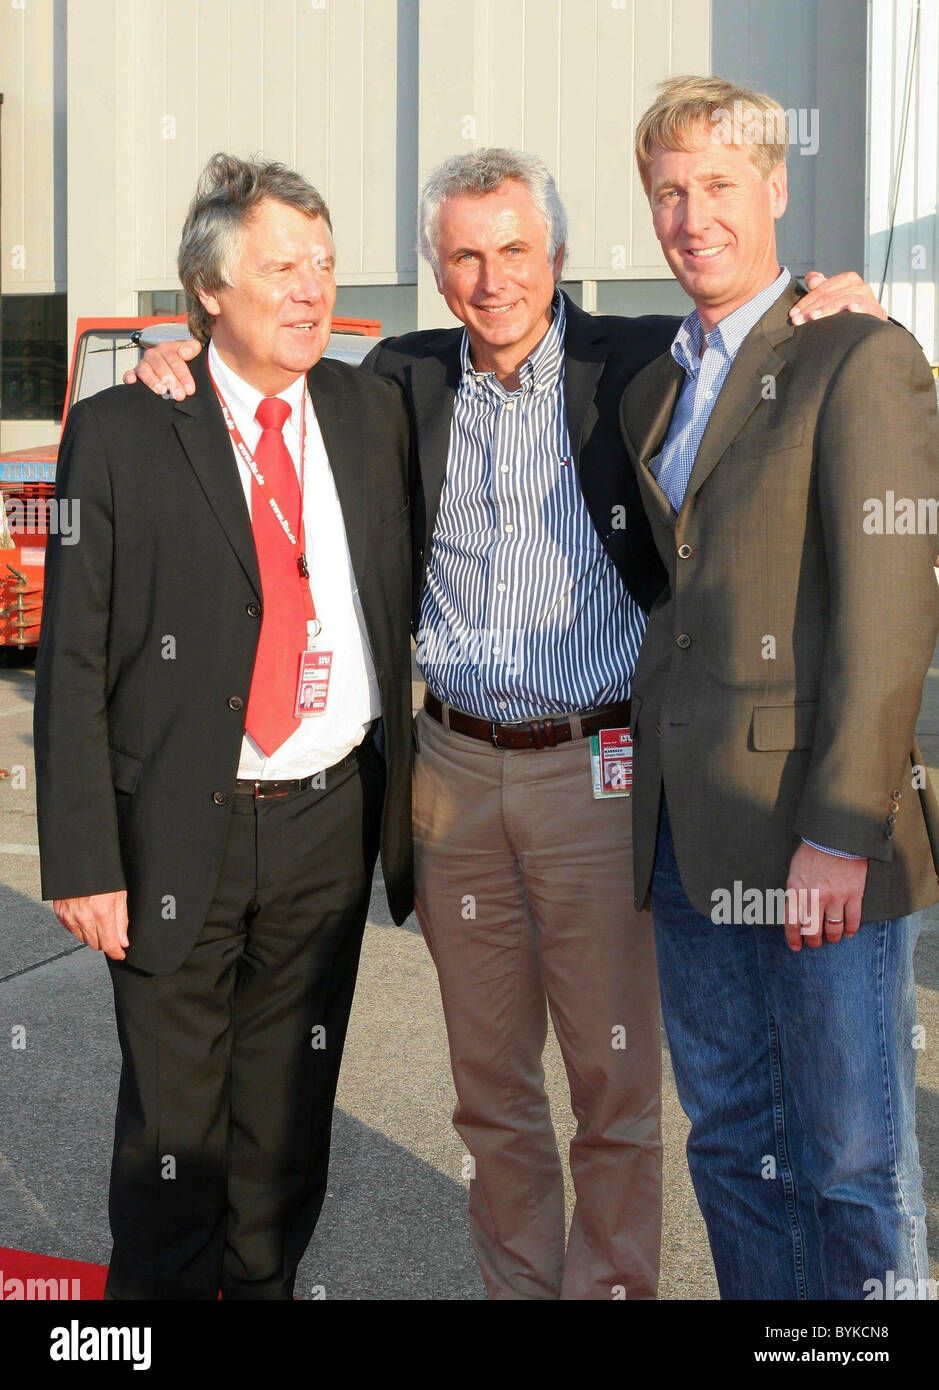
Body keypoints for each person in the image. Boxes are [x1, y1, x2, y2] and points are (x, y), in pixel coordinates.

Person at [129, 148, 884, 1301]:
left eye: (515, 250)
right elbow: (264, 376)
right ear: (436, 273)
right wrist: (176, 350)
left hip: (601, 769)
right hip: (450, 774)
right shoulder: (399, 379)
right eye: (465, 257)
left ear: (560, 257)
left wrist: (840, 306)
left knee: (614, 1089)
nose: (493, 280)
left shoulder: (636, 359)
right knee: (490, 1092)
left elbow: (756, 338)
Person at [33, 154, 413, 1300]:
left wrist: (795, 304)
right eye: (280, 268)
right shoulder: (119, 430)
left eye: (325, 265)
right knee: (172, 1143)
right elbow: (76, 656)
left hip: (326, 828)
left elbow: (530, 342)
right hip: (172, 837)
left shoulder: (373, 406)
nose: (311, 291)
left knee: (286, 1134)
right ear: (207, 290)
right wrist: (85, 858)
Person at [621, 75, 939, 1300]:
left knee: (852, 1160)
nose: (691, 215)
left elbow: (891, 606)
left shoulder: (856, 353)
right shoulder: (662, 382)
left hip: (815, 837)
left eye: (716, 184)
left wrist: (842, 832)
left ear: (776, 185)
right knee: (732, 1140)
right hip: (688, 837)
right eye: (666, 191)